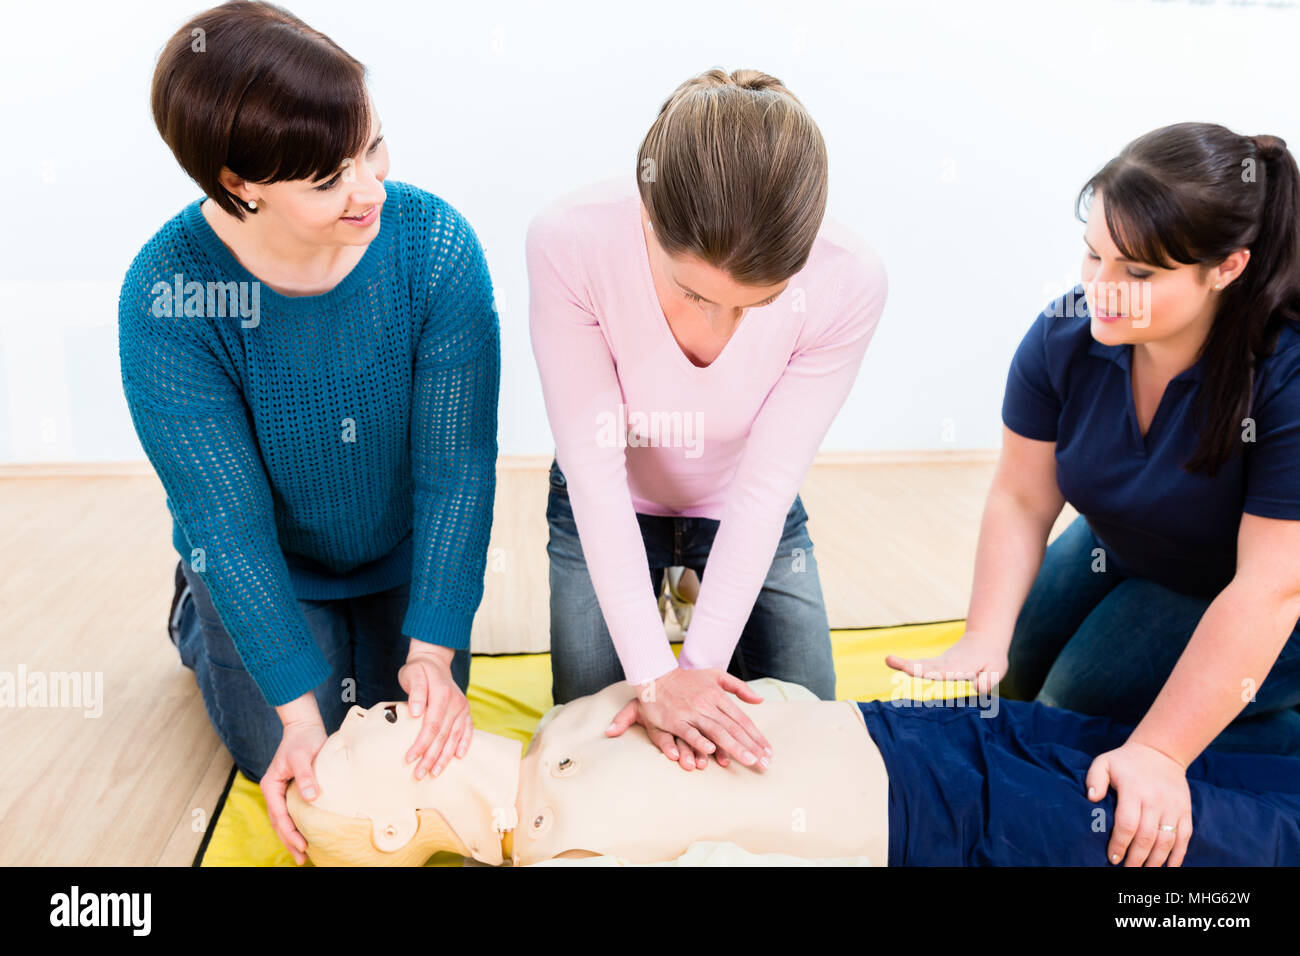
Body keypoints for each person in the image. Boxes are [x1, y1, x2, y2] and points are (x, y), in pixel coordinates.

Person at [120, 1, 499, 859]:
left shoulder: (436, 247)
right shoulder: (167, 299)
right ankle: (199, 613)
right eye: (327, 180)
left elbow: (459, 472)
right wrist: (293, 709)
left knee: (417, 751)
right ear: (237, 184)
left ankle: (371, 635)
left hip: (400, 544)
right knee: (317, 766)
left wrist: (432, 653)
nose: (369, 190)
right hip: (269, 561)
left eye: (371, 148)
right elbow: (227, 520)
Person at [887, 122, 1300, 866]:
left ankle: (1270, 723)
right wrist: (983, 634)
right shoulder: (1065, 337)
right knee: (1008, 680)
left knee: (1070, 704)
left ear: (1228, 268)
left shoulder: (1285, 376)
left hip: (1255, 589)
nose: (1100, 289)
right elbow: (1021, 498)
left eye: (1138, 274)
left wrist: (1162, 753)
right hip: (1127, 543)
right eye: (1094, 254)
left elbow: (1270, 586)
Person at [527, 68, 889, 774]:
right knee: (593, 736)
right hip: (612, 499)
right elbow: (595, 475)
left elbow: (767, 486)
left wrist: (695, 677)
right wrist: (654, 681)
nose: (717, 320)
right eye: (692, 290)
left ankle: (685, 611)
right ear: (647, 214)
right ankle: (666, 611)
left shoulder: (850, 278)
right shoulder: (569, 239)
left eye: (753, 303)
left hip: (742, 502)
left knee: (804, 732)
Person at [286, 682, 1300, 867]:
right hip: (941, 821)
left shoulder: (562, 719)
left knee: (1166, 749)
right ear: (391, 828)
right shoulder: (563, 851)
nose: (375, 705)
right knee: (1203, 836)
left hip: (910, 727)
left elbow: (722, 689)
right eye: (361, 735)